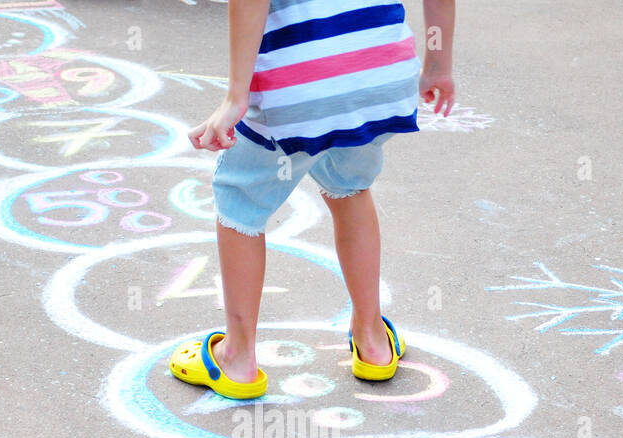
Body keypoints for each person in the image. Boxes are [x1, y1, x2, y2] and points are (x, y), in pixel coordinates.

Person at [169, 0, 456, 399]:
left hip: (301, 84)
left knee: (242, 201)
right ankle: (371, 339)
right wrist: (439, 66)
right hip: (380, 74)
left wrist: (236, 97)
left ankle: (238, 357)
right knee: (349, 186)